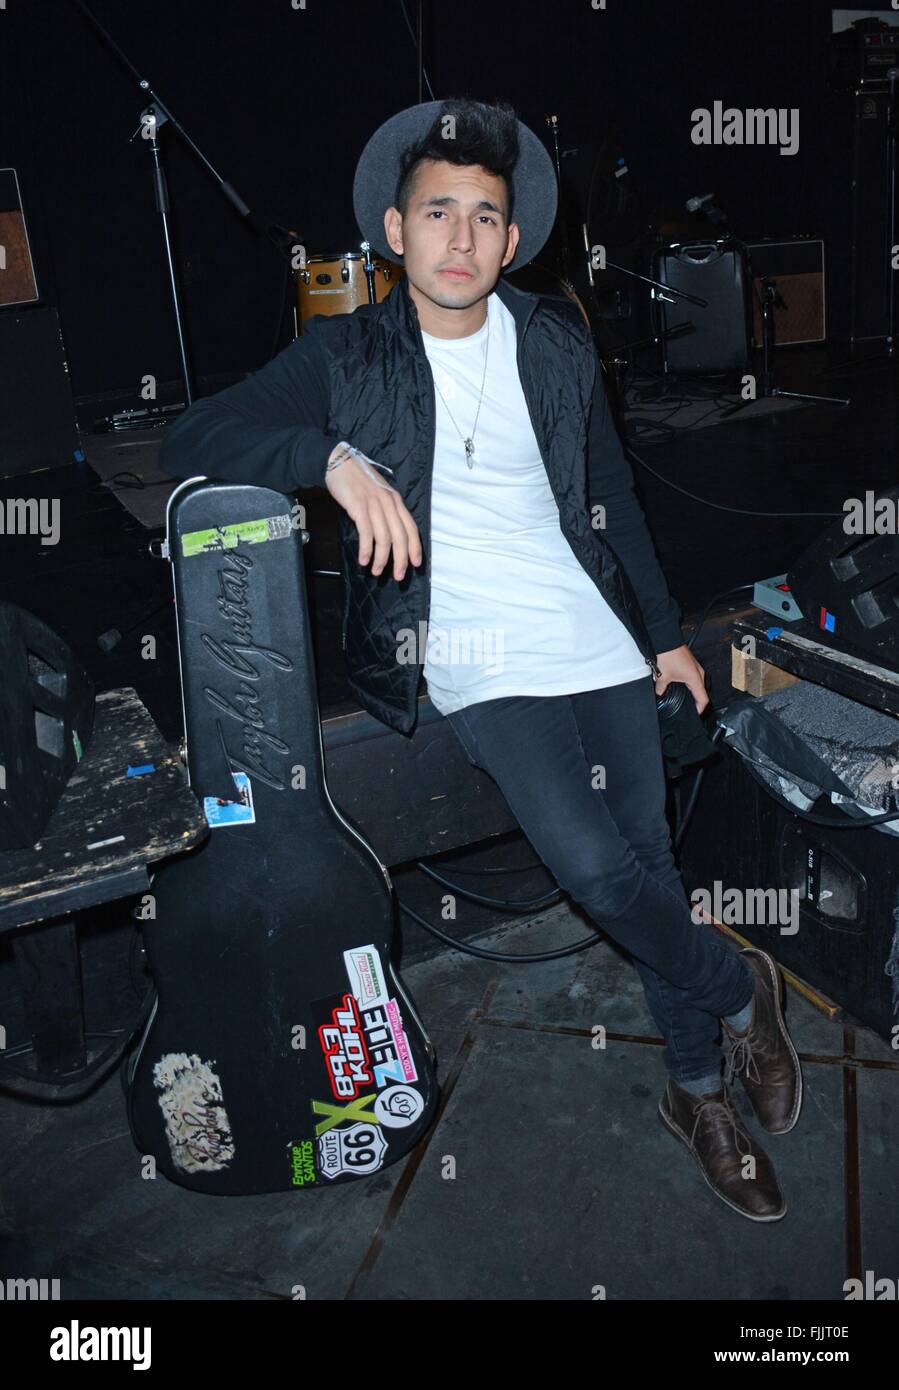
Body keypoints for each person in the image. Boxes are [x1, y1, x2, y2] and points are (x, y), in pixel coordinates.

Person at [160, 96, 802, 1222]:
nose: (460, 238)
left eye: (484, 218)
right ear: (393, 233)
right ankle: (734, 983)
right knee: (596, 873)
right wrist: (327, 459)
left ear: (512, 242)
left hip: (587, 630)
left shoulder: (552, 342)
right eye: (437, 212)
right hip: (471, 652)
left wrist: (660, 637)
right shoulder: (344, 352)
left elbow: (610, 494)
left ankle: (695, 1087)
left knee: (644, 865)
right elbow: (191, 439)